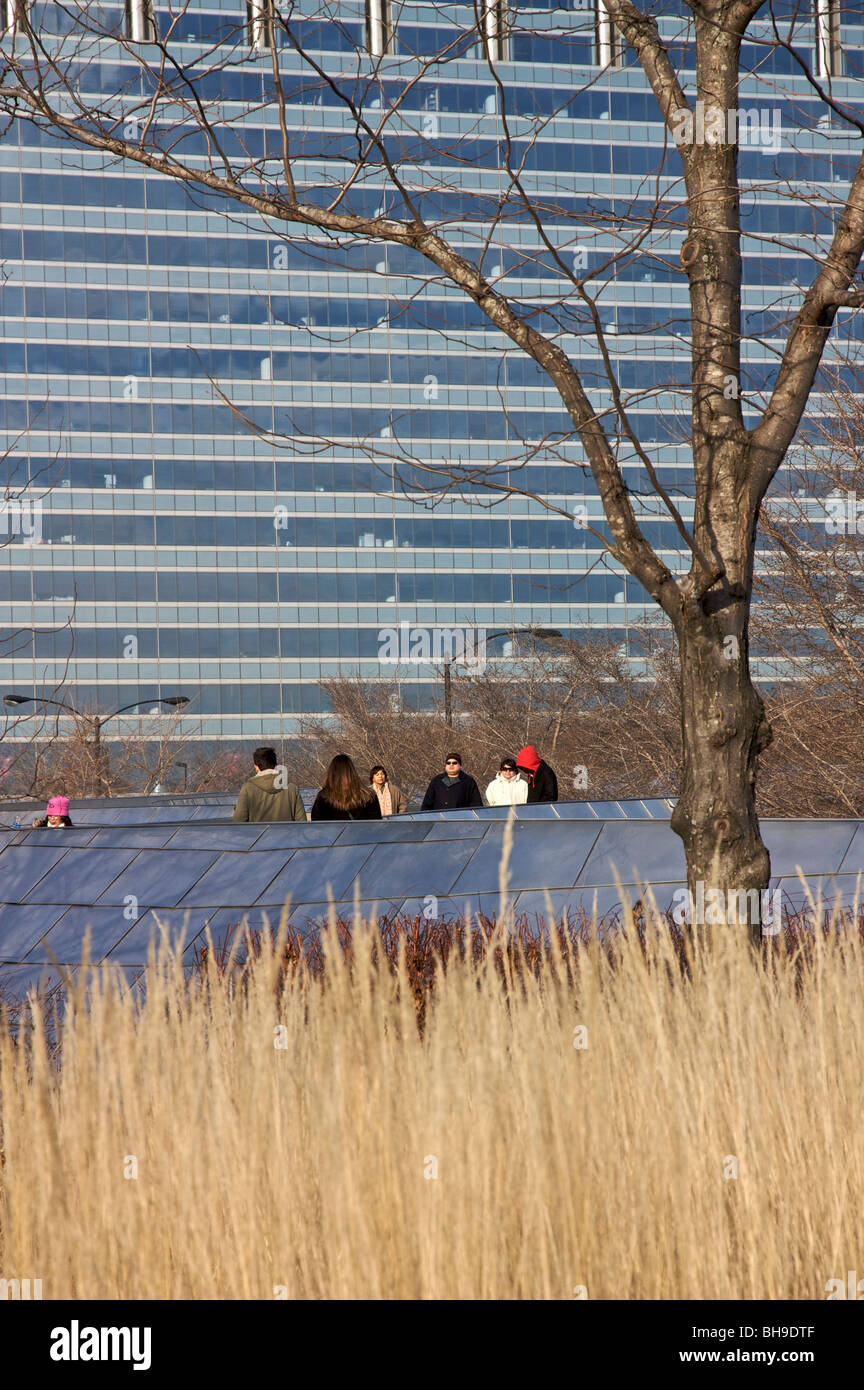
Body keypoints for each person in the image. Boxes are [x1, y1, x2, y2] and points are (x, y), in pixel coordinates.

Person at [232, 746, 307, 822]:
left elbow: (238, 821)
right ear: (275, 765)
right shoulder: (292, 789)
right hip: (287, 830)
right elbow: (302, 822)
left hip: (258, 830)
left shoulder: (247, 789)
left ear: (256, 767)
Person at [311, 754, 382, 820]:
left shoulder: (324, 796)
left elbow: (317, 823)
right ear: (352, 772)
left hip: (334, 830)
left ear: (331, 773)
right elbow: (377, 823)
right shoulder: (369, 795)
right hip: (363, 830)